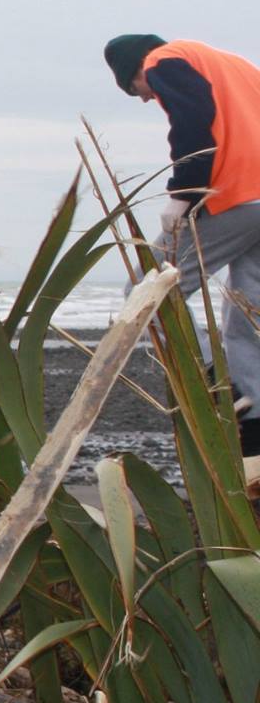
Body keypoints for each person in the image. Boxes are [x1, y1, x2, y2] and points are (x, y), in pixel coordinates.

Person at [104, 35, 260, 453]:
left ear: (136, 70)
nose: (143, 98)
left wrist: (182, 192)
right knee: (247, 310)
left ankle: (209, 381)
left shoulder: (165, 59)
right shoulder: (237, 65)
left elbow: (193, 119)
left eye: (135, 90)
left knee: (148, 289)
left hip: (237, 196)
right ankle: (254, 421)